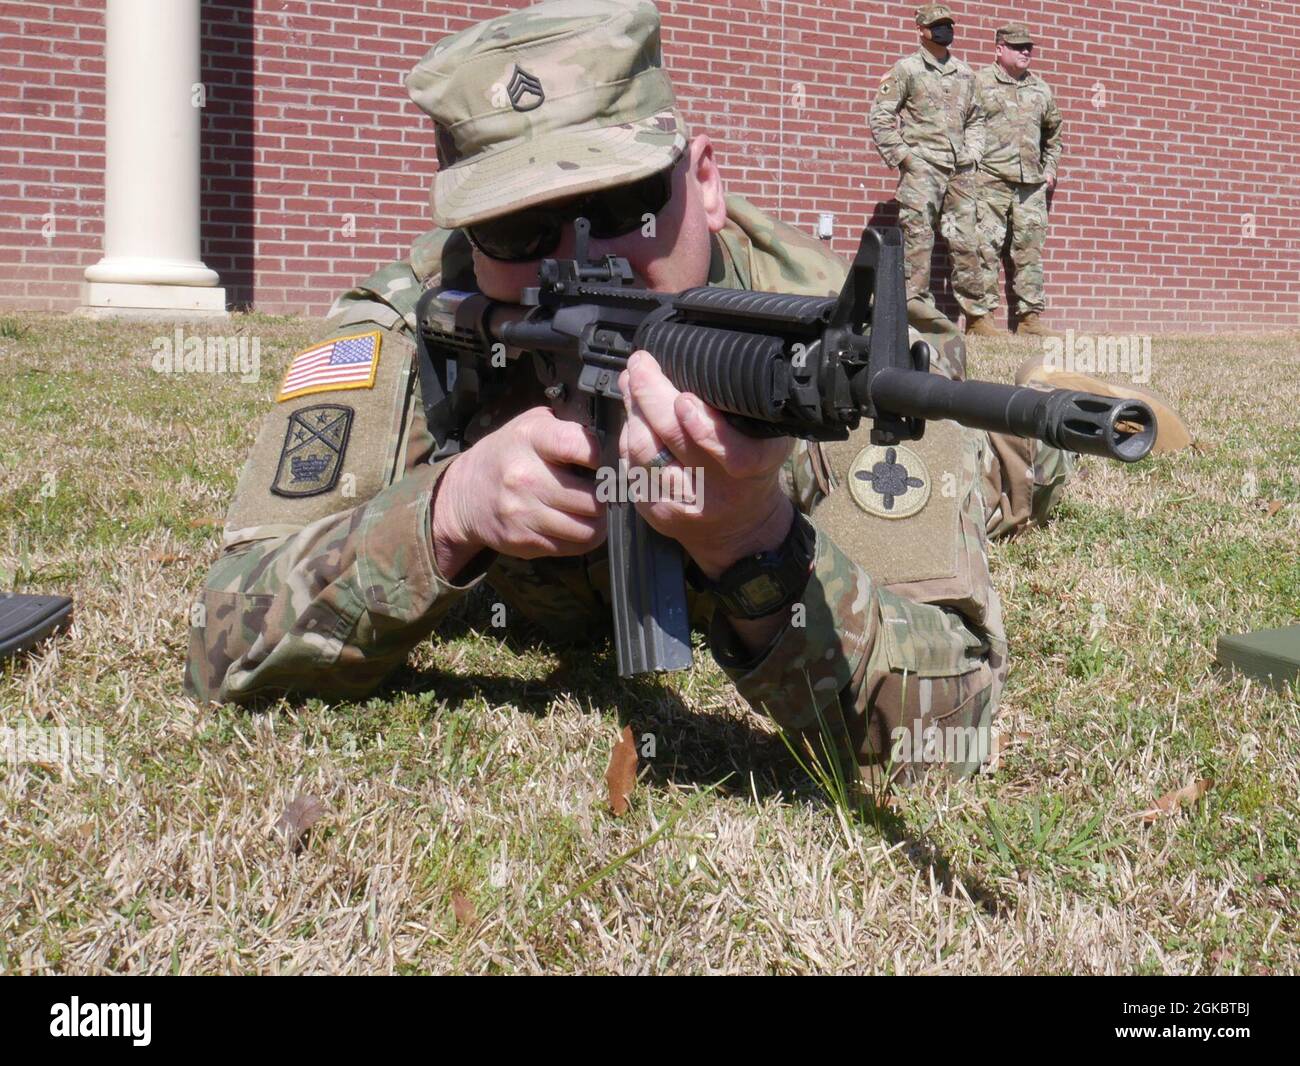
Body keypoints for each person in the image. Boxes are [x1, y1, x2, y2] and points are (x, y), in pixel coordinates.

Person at [184, 0, 1174, 788]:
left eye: (619, 206)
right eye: (518, 232)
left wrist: (752, 541)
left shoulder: (818, 341)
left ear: (701, 180)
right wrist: (448, 512)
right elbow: (221, 640)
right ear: (466, 235)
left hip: (929, 438)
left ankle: (1043, 415)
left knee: (995, 454)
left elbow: (949, 721)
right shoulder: (416, 319)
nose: (576, 259)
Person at [867, 4, 985, 336]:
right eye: (938, 24)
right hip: (922, 168)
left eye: (949, 24)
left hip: (959, 170)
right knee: (918, 240)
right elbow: (880, 116)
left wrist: (972, 153)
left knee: (966, 239)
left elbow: (977, 119)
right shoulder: (906, 69)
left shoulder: (965, 72)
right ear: (921, 30)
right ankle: (917, 315)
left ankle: (977, 317)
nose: (946, 29)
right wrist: (905, 157)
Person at [968, 23, 1063, 337]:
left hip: (1030, 187)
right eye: (1018, 46)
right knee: (984, 248)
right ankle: (979, 320)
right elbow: (960, 125)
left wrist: (1050, 169)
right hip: (989, 180)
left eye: (1029, 47)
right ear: (999, 49)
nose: (1026, 52)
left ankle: (1029, 319)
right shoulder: (977, 82)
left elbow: (1054, 134)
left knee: (1029, 251)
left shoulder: (1041, 89)